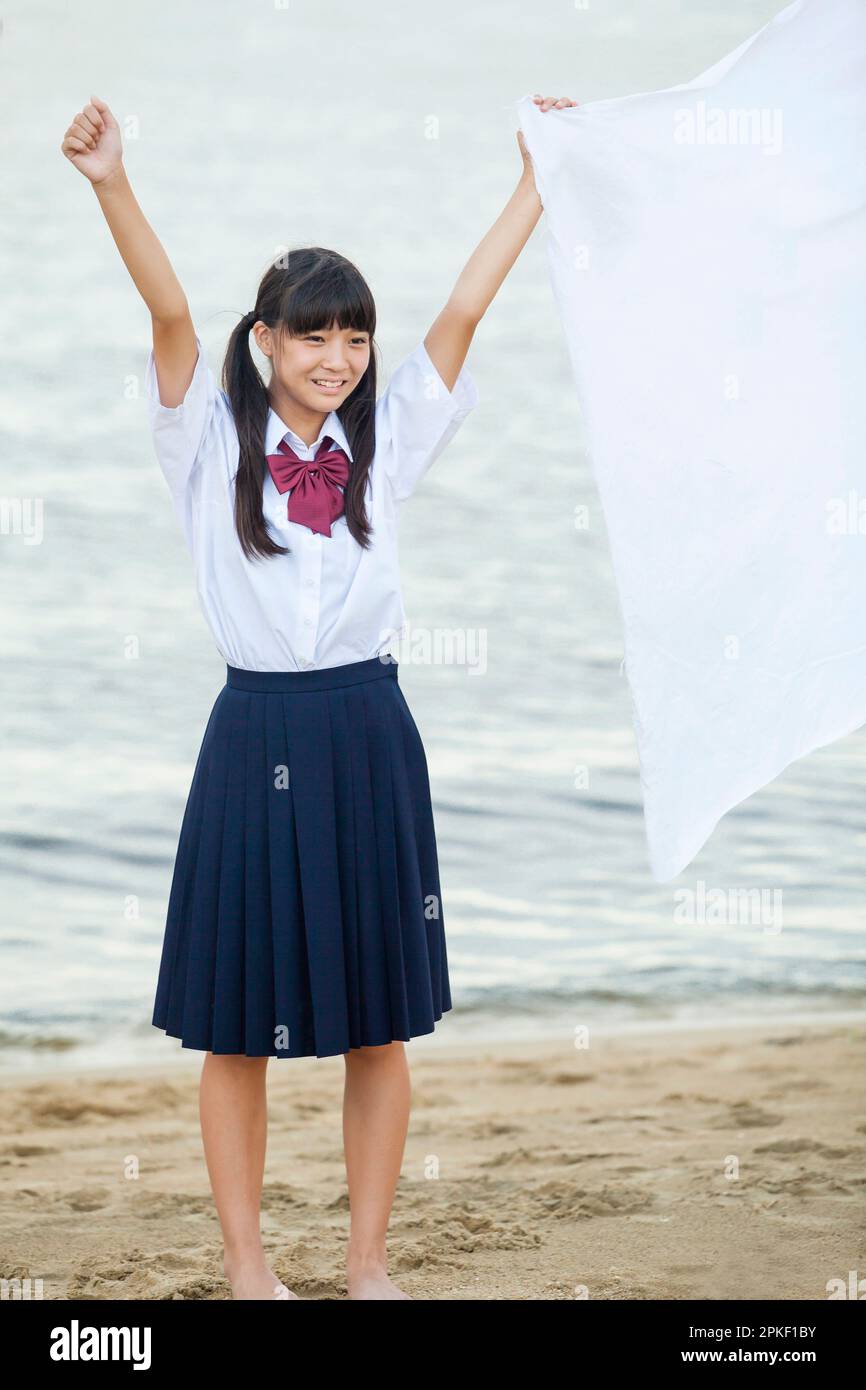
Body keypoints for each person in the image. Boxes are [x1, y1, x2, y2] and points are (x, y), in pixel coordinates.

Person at [60, 91, 577, 1302]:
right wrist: (112, 182)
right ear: (266, 343)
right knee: (234, 1026)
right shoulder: (203, 442)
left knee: (376, 1020)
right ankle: (248, 1270)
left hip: (365, 734)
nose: (337, 358)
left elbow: (461, 307)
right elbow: (169, 308)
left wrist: (535, 182)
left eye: (352, 337)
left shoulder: (387, 442)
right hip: (252, 734)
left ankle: (366, 1265)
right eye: (312, 337)